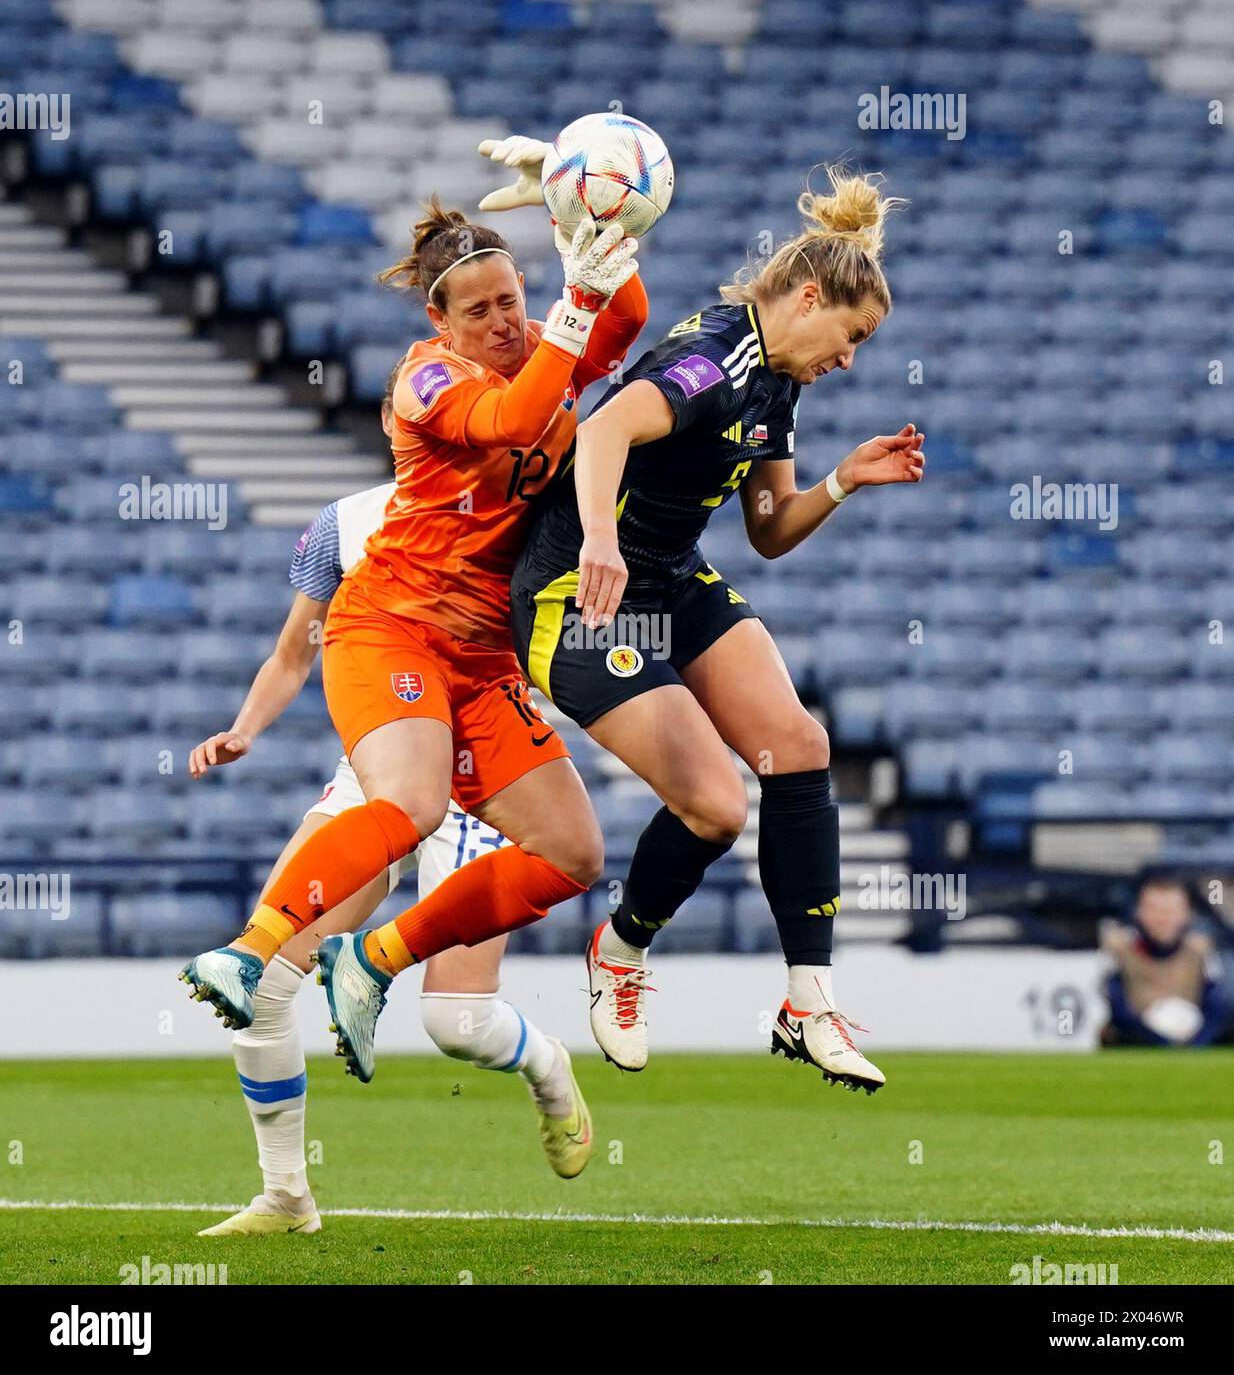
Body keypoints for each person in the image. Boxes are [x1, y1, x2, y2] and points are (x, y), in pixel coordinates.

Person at [182, 186, 648, 1090]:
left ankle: (375, 958)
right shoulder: (428, 377)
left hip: (481, 659)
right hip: (391, 627)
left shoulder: (549, 363)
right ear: (440, 320)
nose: (504, 322)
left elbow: (626, 313)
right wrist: (573, 308)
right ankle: (250, 950)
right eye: (479, 311)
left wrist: (584, 222)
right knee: (410, 805)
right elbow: (512, 422)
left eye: (513, 300)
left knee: (574, 853)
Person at [510, 163, 924, 1093]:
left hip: (666, 574)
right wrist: (606, 544)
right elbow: (607, 427)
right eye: (850, 336)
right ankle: (619, 953)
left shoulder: (779, 386)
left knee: (798, 746)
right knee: (716, 808)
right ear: (810, 297)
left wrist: (843, 481)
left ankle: (807, 1002)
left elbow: (770, 531)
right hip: (578, 592)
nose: (850, 359)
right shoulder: (718, 360)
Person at [186, 370, 592, 1236]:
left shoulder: (513, 494)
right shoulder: (343, 523)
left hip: (481, 771)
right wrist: (244, 727)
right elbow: (295, 652)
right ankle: (287, 1194)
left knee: (456, 1020)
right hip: (379, 768)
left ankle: (549, 1067)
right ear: (398, 422)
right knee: (259, 982)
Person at [1100, 875, 1227, 1048]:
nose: (1162, 918)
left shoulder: (1201, 952)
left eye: (1170, 910)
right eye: (1153, 909)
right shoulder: (1119, 950)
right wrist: (1156, 1038)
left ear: (1187, 913)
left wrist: (1197, 1043)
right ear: (1138, 912)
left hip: (1191, 1042)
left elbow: (1216, 1005)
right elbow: (1114, 1004)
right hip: (1133, 1044)